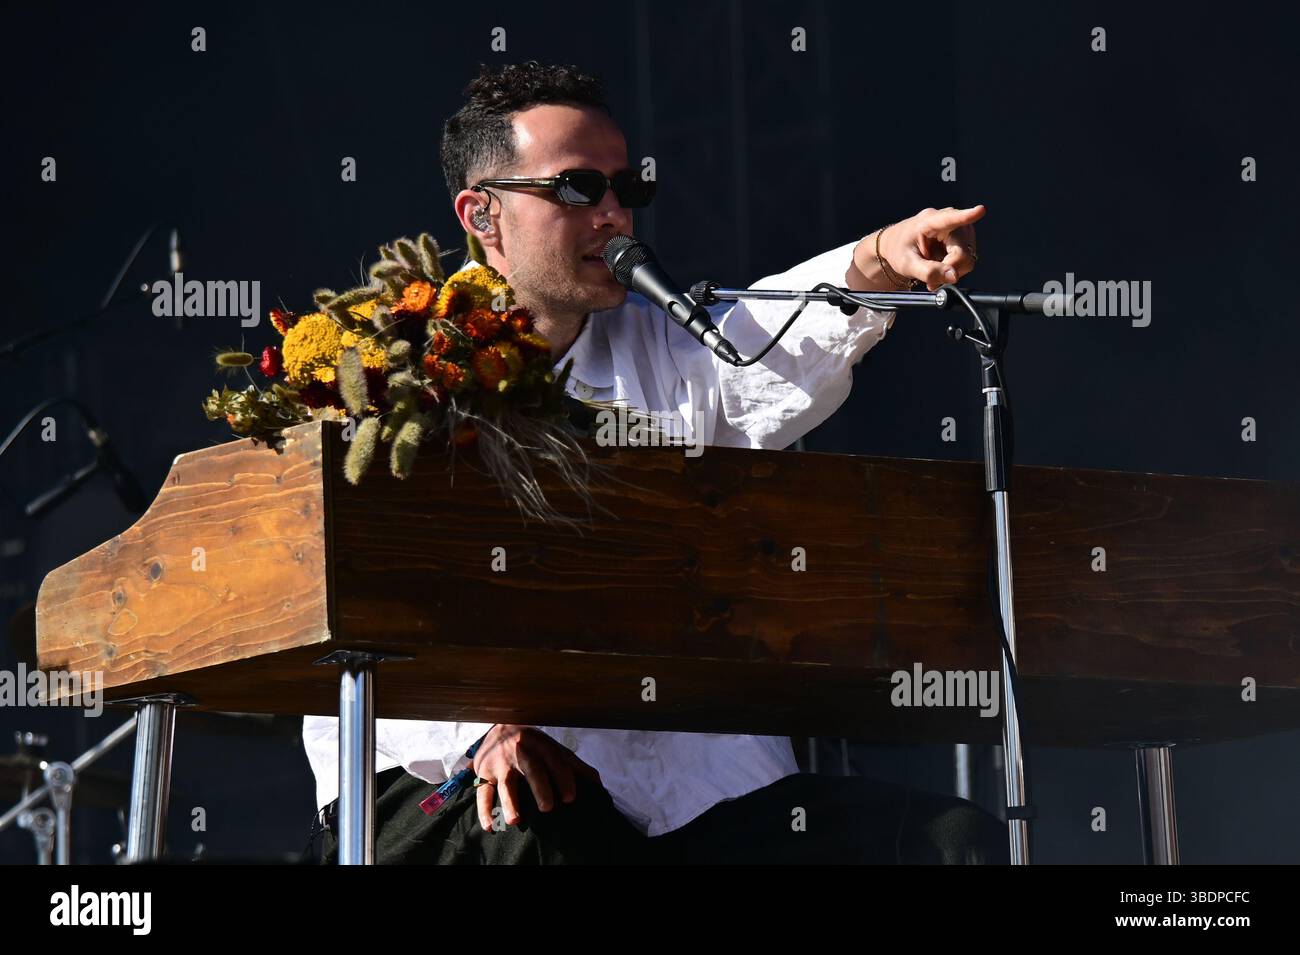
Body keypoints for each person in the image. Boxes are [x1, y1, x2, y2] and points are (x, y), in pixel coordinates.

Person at [308, 60, 1002, 864]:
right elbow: (370, 595)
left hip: (690, 795)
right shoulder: (395, 368)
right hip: (455, 787)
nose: (611, 213)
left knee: (953, 844)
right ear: (482, 215)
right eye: (575, 189)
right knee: (539, 828)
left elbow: (764, 345)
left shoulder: (665, 345)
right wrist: (484, 726)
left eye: (623, 190)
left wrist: (882, 256)